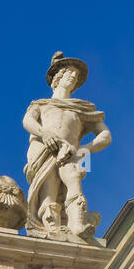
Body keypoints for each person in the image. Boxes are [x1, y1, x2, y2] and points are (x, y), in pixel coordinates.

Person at [22, 52, 112, 241]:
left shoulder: (82, 108)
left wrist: (84, 150)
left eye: (76, 76)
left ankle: (77, 225)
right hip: (43, 150)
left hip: (72, 151)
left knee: (74, 179)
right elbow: (27, 121)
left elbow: (105, 136)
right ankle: (51, 229)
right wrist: (44, 134)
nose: (73, 77)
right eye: (69, 73)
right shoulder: (41, 104)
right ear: (58, 77)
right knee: (49, 192)